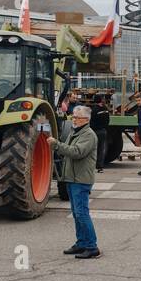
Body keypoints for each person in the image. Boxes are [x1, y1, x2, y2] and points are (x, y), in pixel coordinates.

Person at [50, 105, 101, 259]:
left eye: (77, 117)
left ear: (85, 120)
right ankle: (81, 243)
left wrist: (56, 145)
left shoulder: (88, 135)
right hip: (73, 178)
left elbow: (76, 152)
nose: (74, 119)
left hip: (81, 180)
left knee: (82, 213)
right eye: (73, 116)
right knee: (76, 213)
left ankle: (92, 246)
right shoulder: (75, 132)